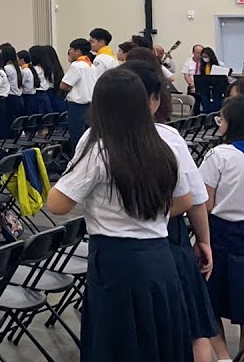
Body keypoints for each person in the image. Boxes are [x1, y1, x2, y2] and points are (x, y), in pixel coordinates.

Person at [46, 68, 194, 362]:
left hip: (117, 261)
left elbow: (57, 204)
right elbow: (185, 200)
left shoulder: (99, 146)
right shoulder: (162, 144)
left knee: (119, 344)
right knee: (159, 339)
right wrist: (145, 214)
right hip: (159, 257)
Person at [125, 61, 218, 361]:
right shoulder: (169, 137)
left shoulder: (96, 140)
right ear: (154, 99)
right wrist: (204, 240)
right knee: (194, 330)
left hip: (124, 249)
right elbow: (194, 198)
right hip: (170, 238)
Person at [201, 98, 244, 361]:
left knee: (211, 300)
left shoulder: (219, 156)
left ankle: (223, 356)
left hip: (221, 235)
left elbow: (205, 203)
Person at [62, 38, 99, 154]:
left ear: (78, 51)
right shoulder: (91, 65)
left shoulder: (77, 66)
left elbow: (64, 85)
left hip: (77, 106)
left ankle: (76, 162)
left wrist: (70, 88)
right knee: (88, 137)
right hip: (90, 105)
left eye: (71, 49)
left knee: (77, 137)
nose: (70, 52)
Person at [0, 44, 25, 128]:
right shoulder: (19, 68)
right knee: (17, 124)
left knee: (10, 124)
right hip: (19, 98)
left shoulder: (6, 68)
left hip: (10, 98)